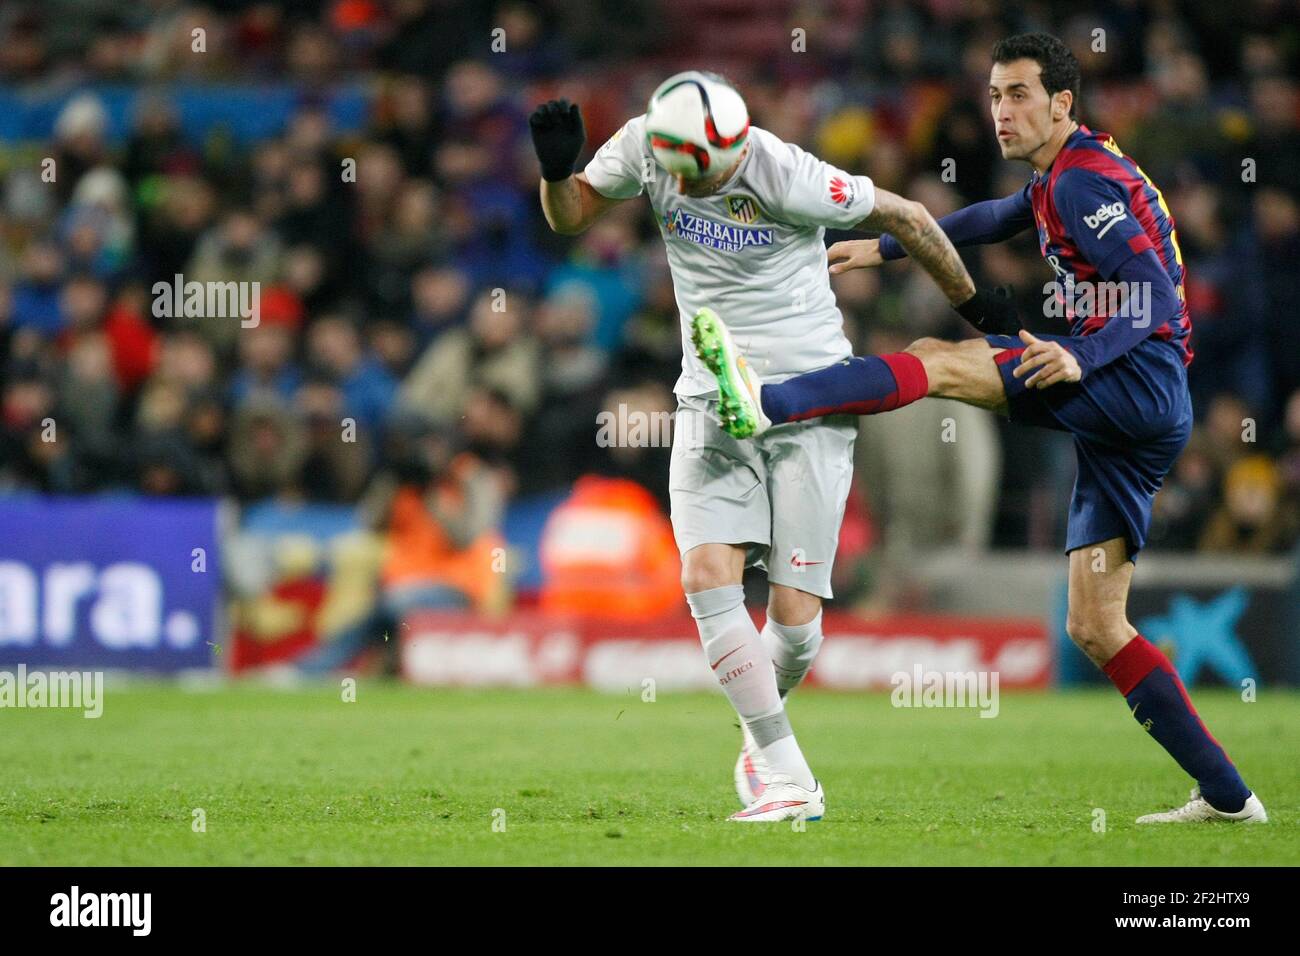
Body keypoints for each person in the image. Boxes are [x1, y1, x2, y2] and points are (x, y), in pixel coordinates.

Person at [694, 34, 1266, 824]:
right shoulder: (1060, 176)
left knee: (938, 359)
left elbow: (1158, 301)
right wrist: (889, 245)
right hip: (1140, 411)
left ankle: (768, 402)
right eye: (995, 95)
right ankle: (1231, 799)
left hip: (1129, 381)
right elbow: (997, 217)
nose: (1002, 111)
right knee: (1095, 625)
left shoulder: (1082, 187)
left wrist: (1077, 355)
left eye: (1021, 95)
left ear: (1064, 103)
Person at [530, 71, 1014, 822]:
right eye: (679, 171)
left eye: (705, 170)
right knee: (704, 574)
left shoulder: (788, 173)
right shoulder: (647, 147)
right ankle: (790, 777)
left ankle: (763, 738)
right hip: (709, 395)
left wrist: (983, 313)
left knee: (793, 622)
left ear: (736, 141)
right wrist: (558, 173)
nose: (689, 185)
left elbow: (914, 218)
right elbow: (570, 219)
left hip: (810, 398)